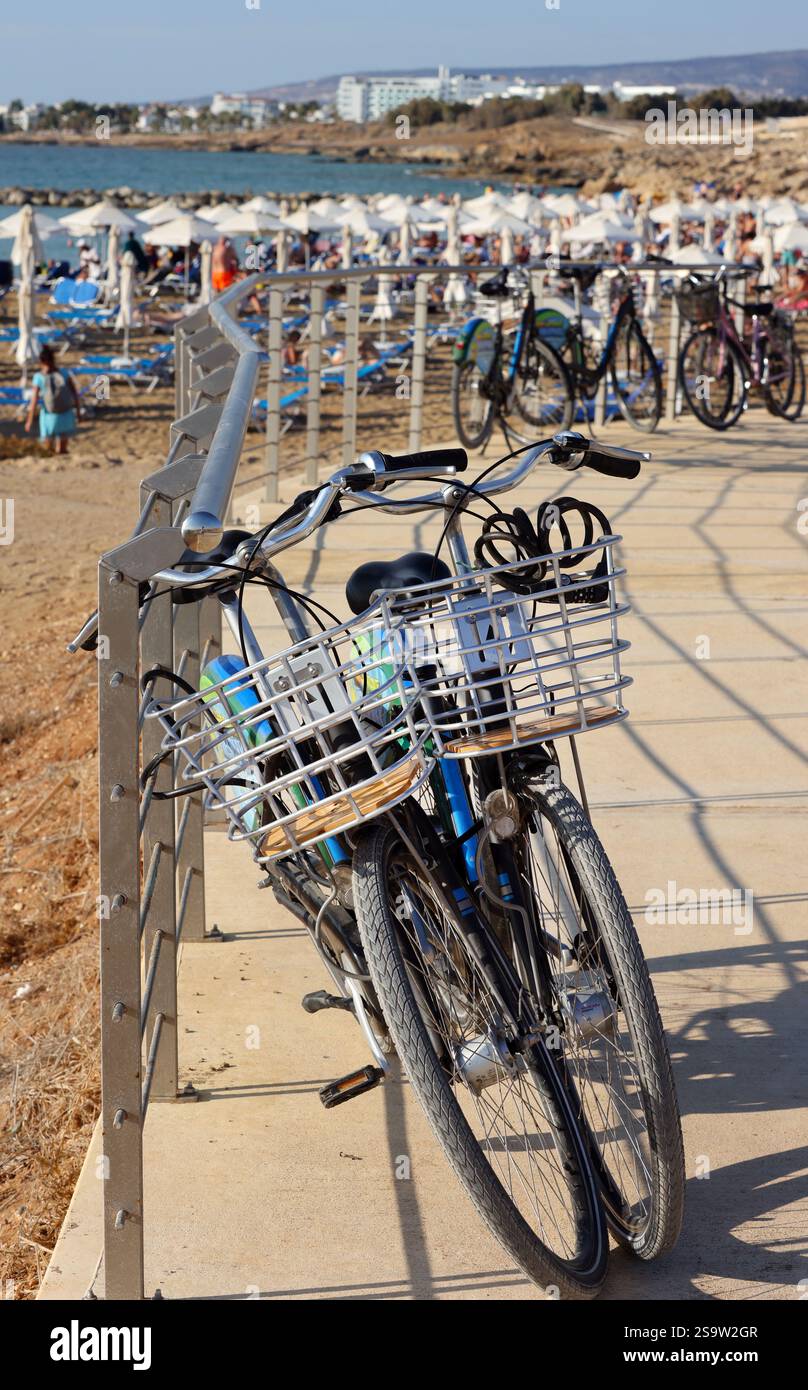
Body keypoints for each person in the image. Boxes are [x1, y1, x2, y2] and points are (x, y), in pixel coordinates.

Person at [25, 344, 81, 454]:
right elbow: (75, 394)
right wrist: (78, 413)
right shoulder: (64, 373)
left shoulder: (39, 377)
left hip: (48, 415)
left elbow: (34, 400)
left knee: (48, 448)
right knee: (63, 449)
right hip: (66, 414)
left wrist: (29, 420)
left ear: (41, 362)